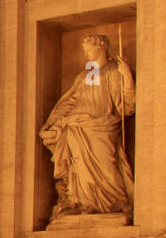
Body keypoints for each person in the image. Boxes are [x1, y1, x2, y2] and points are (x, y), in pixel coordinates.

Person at [39, 34, 135, 220]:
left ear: (100, 47)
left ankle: (115, 204)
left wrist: (127, 76)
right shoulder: (84, 76)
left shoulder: (114, 72)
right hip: (76, 127)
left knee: (108, 167)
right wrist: (52, 123)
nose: (85, 53)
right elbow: (70, 102)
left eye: (88, 49)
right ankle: (85, 203)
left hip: (102, 128)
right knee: (79, 168)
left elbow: (125, 107)